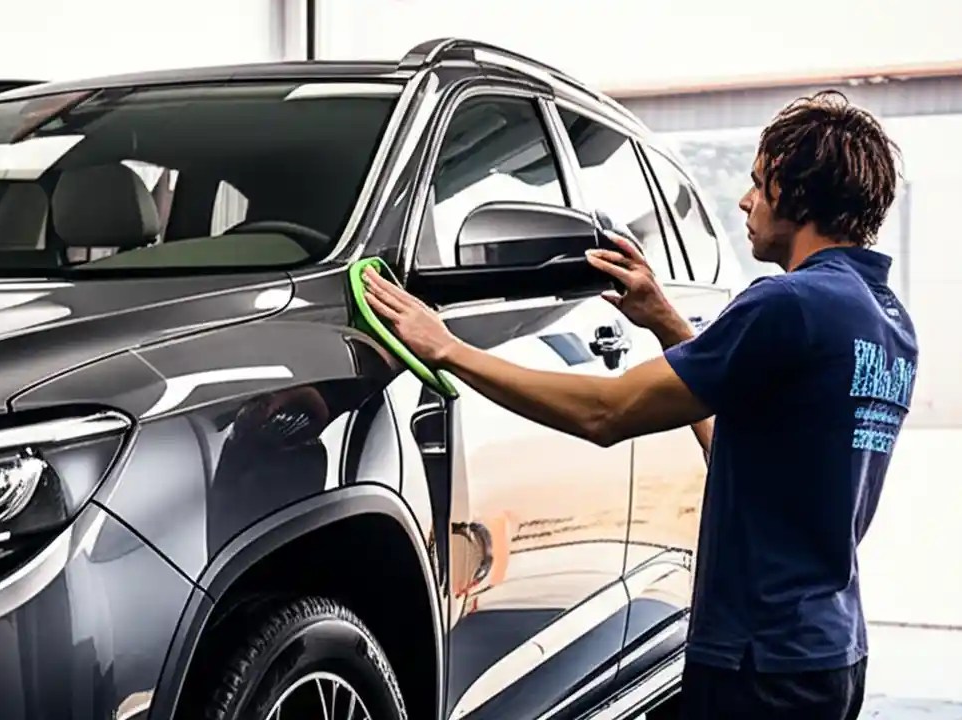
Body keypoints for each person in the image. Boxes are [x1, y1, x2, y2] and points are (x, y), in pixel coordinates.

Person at [362, 90, 914, 719]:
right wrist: (665, 323)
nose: (745, 200)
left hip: (756, 665)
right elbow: (746, 453)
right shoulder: (886, 322)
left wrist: (450, 349)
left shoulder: (788, 305)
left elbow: (606, 414)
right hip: (829, 654)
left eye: (760, 183)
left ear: (797, 193)